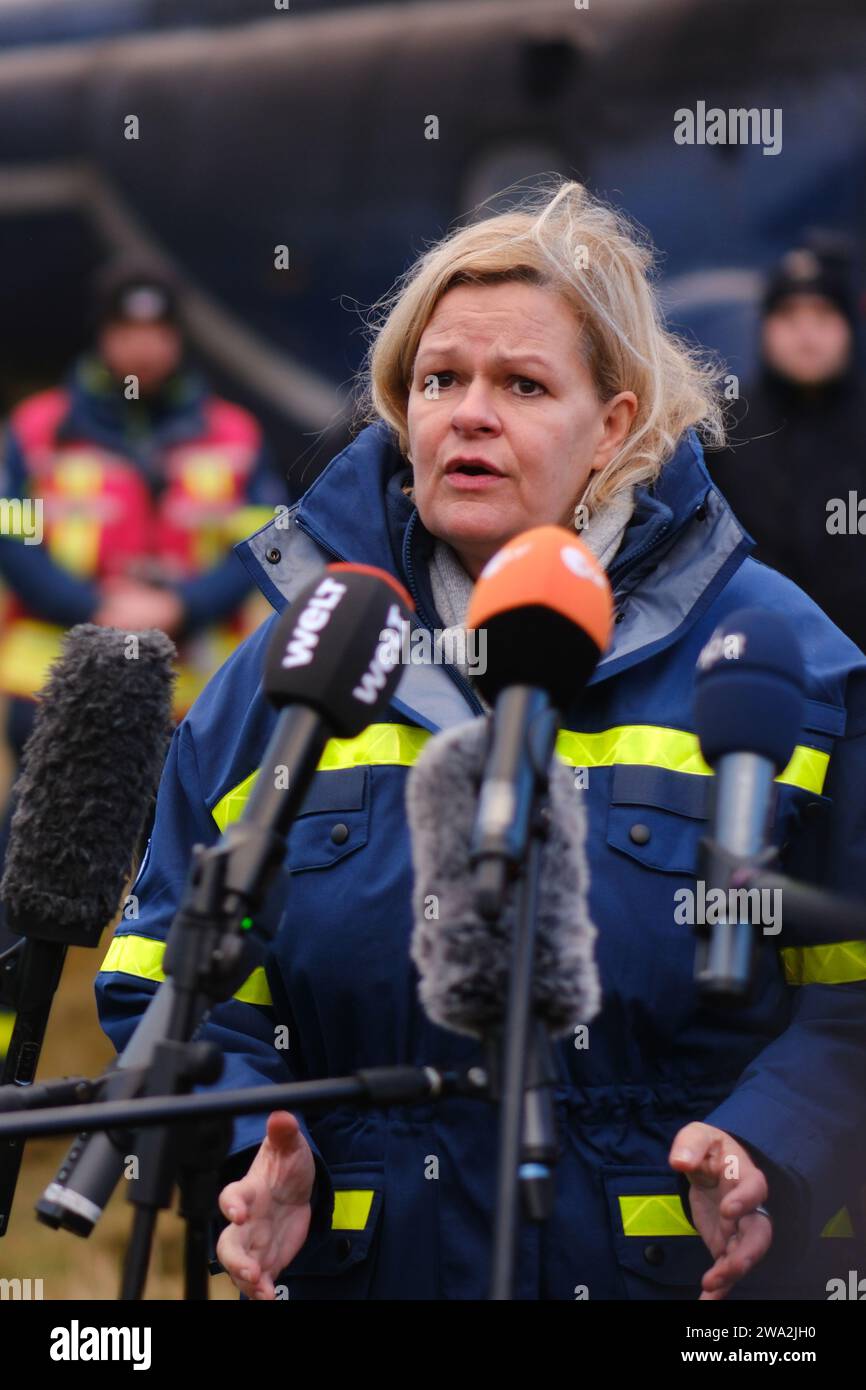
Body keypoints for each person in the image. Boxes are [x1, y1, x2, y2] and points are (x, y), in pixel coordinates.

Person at [95, 180, 866, 1301]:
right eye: (438, 379)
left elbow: (849, 996)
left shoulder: (786, 661)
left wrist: (770, 1149)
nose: (467, 412)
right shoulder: (290, 669)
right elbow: (168, 975)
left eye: (521, 384)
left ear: (616, 422)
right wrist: (251, 1147)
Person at [0, 257, 284, 955]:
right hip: (51, 688)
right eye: (127, 329)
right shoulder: (37, 430)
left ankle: (168, 1021)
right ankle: (11, 1023)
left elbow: (266, 539)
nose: (143, 348)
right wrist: (101, 606)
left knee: (187, 863)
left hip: (192, 696)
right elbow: (12, 534)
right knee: (34, 857)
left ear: (180, 338)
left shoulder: (235, 435)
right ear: (102, 333)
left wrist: (179, 607)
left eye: (158, 332)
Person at [709, 242, 866, 650]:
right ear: (764, 328)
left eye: (823, 315)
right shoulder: (725, 427)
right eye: (788, 315)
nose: (806, 332)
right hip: (756, 663)